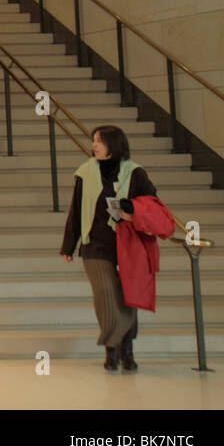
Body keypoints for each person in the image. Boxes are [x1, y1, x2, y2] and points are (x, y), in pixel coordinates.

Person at [60, 125, 156, 372]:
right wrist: (69, 245)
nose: (94, 145)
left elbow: (152, 202)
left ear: (113, 145)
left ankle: (126, 349)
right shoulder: (86, 173)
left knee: (128, 297)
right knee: (105, 293)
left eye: (99, 141)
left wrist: (131, 209)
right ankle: (112, 346)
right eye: (94, 141)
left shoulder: (135, 173)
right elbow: (76, 210)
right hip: (95, 243)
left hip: (128, 244)